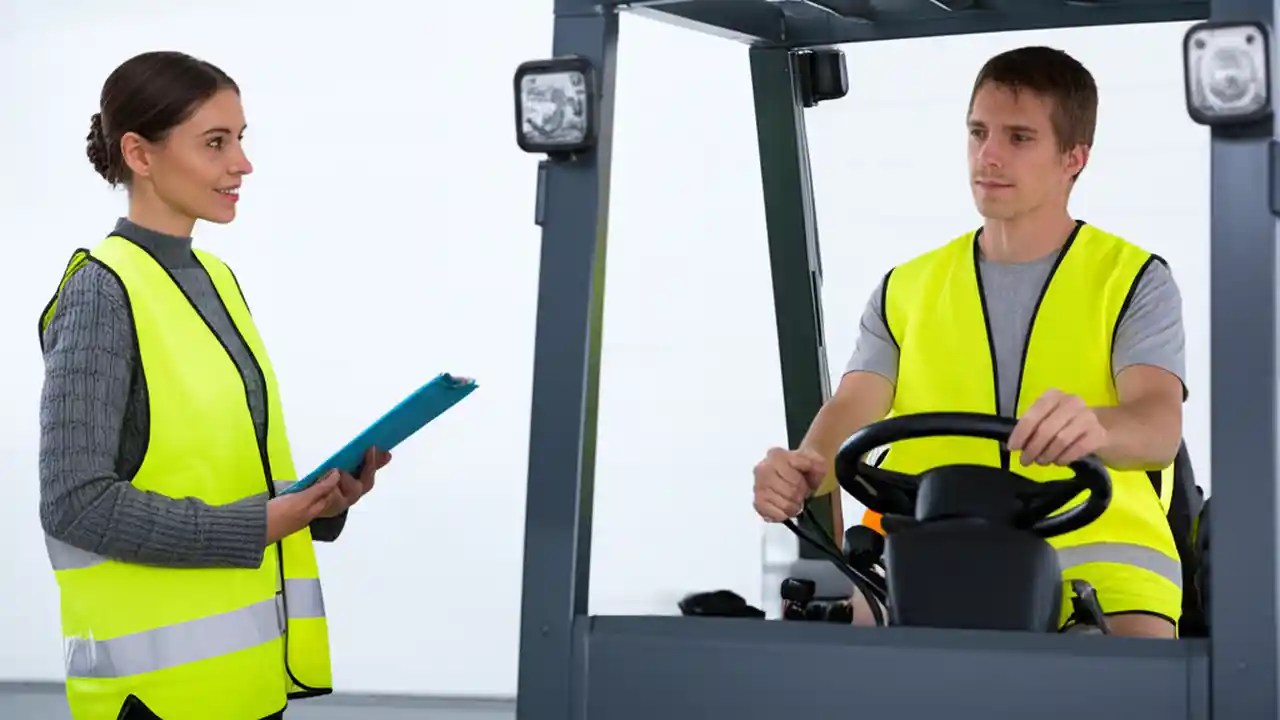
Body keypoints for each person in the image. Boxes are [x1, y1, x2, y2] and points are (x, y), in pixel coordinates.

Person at [751, 46, 1186, 639]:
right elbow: (852, 405)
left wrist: (1098, 428)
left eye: (1019, 137)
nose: (989, 155)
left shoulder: (1134, 280)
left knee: (1132, 680)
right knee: (851, 665)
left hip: (1094, 550)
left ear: (1073, 158)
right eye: (978, 132)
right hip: (922, 546)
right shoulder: (905, 288)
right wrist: (804, 469)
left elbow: (1158, 425)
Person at [37, 51, 390, 719]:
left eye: (241, 139)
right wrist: (262, 524)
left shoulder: (218, 281)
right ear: (140, 154)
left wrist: (317, 500)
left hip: (247, 687)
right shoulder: (101, 295)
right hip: (155, 700)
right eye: (215, 142)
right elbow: (75, 504)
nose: (242, 164)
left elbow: (217, 470)